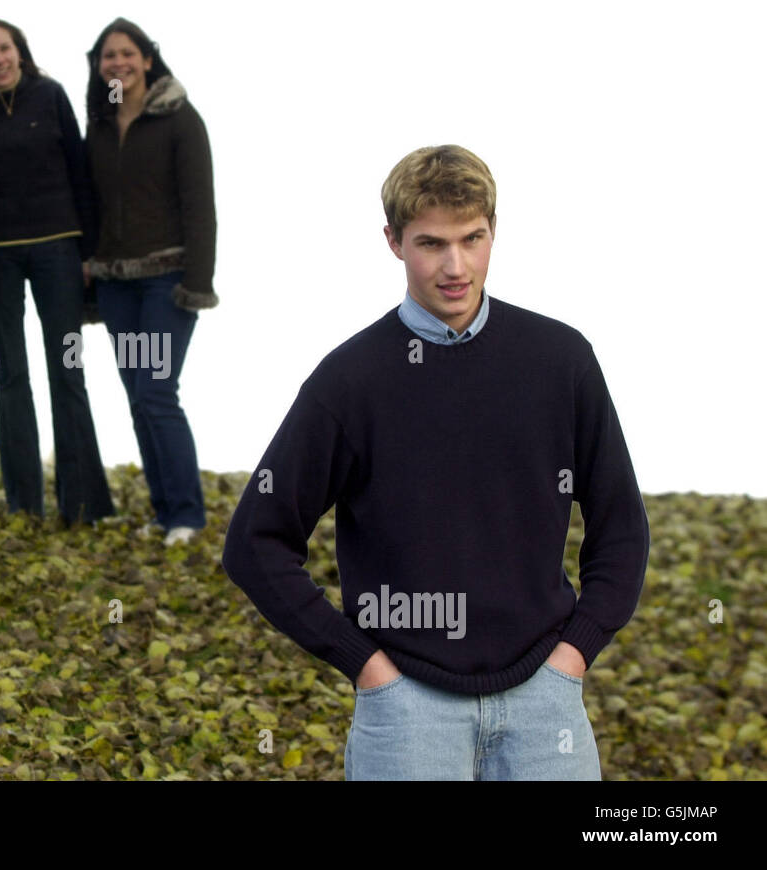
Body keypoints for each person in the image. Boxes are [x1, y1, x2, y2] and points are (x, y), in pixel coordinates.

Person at [221, 145, 650, 780]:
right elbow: (255, 542)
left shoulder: (560, 361)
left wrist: (576, 654)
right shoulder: (350, 381)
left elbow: (621, 526)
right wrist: (365, 666)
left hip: (545, 703)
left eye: (472, 239)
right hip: (407, 715)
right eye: (431, 244)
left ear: (494, 232)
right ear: (392, 241)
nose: (455, 266)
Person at [0, 17, 113, 525]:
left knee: (67, 372)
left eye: (6, 49)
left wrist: (89, 252)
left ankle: (83, 503)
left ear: (20, 51)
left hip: (59, 250)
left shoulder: (51, 95)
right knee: (11, 376)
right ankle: (25, 505)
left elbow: (80, 172)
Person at [83, 18, 218, 546]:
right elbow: (90, 202)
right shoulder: (98, 123)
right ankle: (165, 514)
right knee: (138, 396)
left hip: (167, 281)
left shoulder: (180, 119)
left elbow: (200, 207)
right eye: (107, 57)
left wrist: (197, 282)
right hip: (116, 284)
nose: (117, 64)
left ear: (146, 60)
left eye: (127, 54)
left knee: (158, 392)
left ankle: (188, 514)